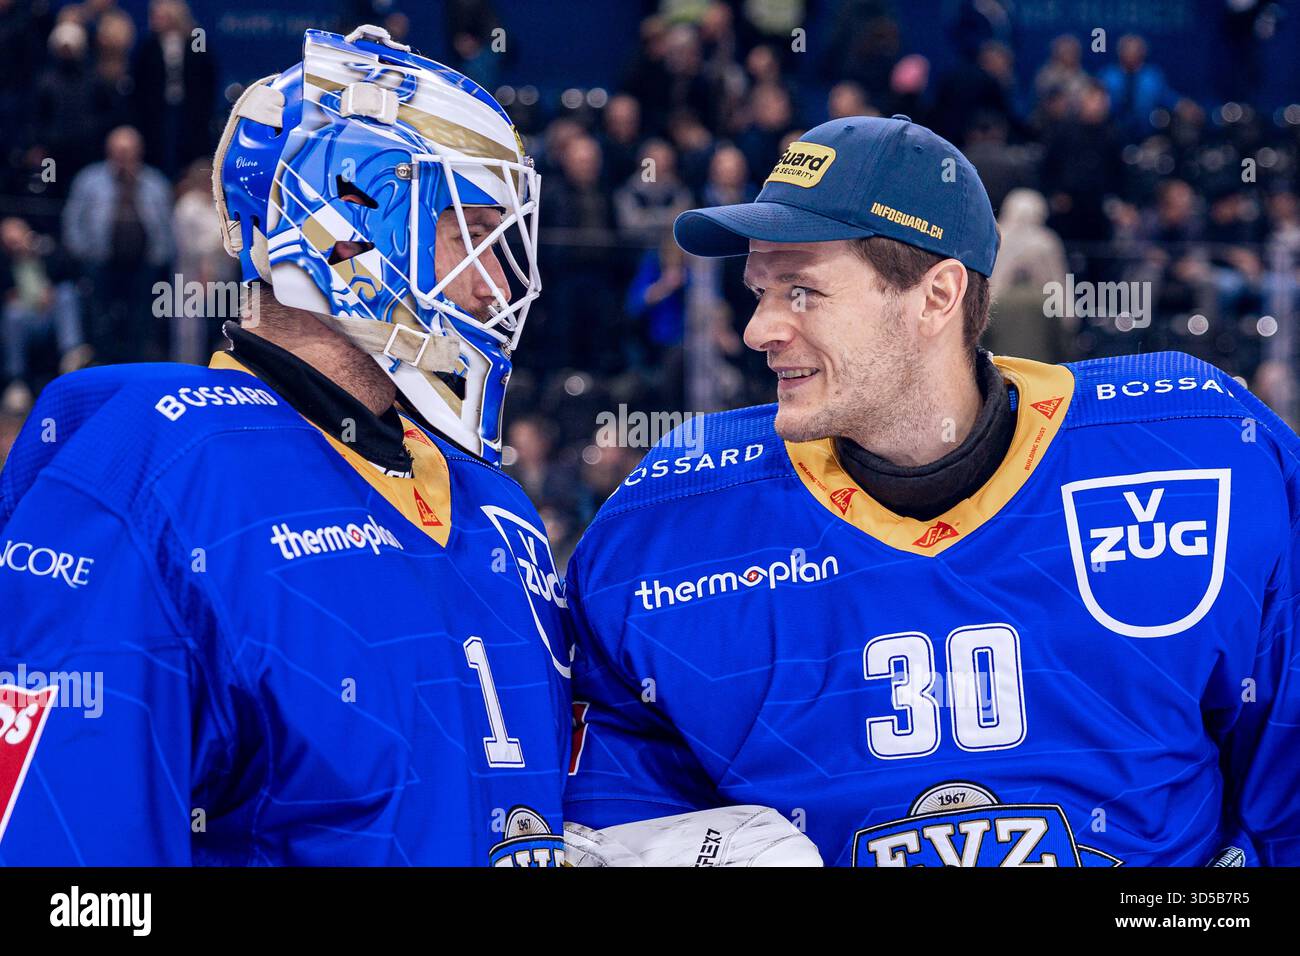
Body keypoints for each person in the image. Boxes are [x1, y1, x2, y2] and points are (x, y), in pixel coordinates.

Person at [563, 115, 1300, 866]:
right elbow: (609, 806)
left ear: (937, 294)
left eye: (802, 291)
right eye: (758, 291)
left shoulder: (1188, 448)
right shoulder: (675, 514)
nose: (760, 329)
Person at [0, 25, 569, 866]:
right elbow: (76, 870)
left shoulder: (495, 505)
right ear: (351, 224)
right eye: (468, 235)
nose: (493, 286)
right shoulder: (152, 470)